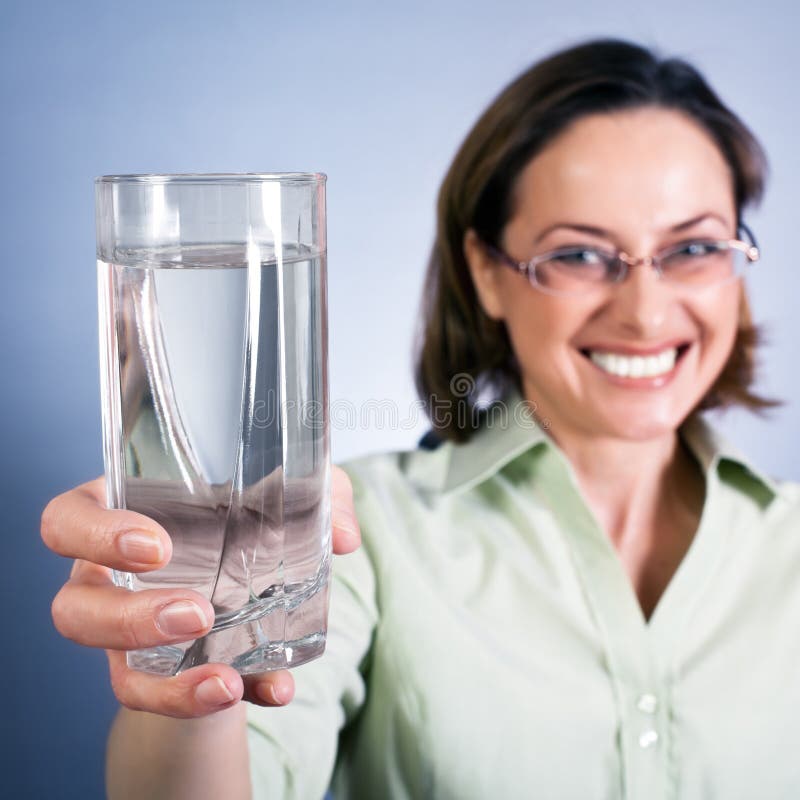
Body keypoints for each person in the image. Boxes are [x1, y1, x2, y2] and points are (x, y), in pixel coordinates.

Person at [41, 38, 800, 799]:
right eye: (578, 255)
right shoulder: (341, 533)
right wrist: (191, 654)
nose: (644, 312)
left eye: (696, 247)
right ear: (486, 272)